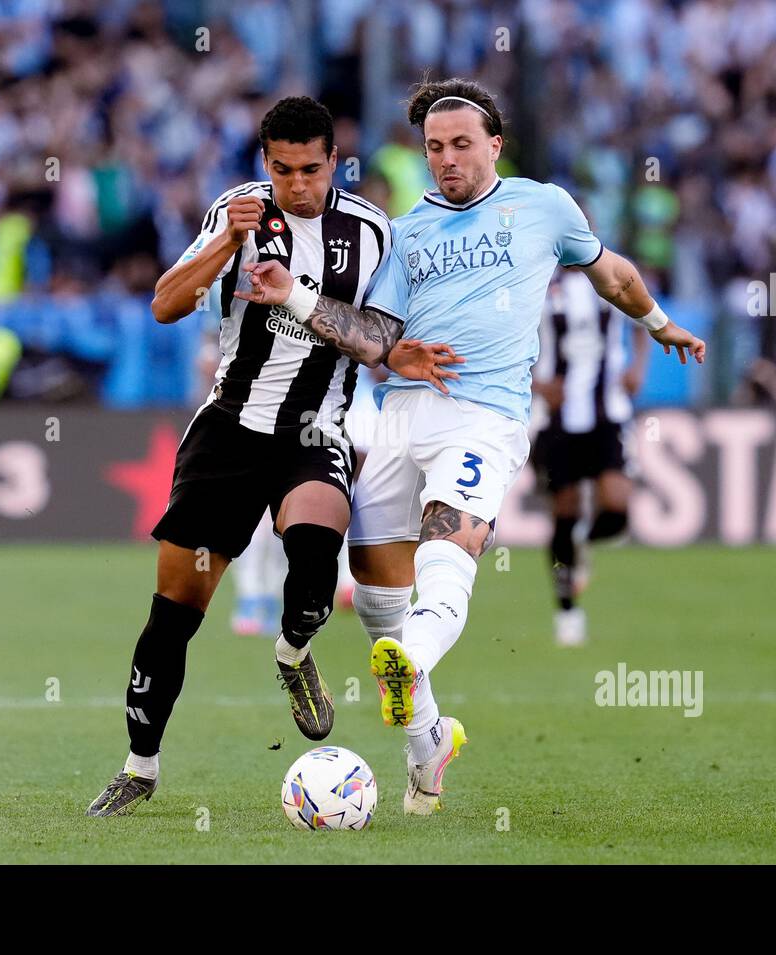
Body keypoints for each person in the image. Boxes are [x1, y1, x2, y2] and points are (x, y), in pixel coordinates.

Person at [236, 78, 705, 815]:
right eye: (433, 147)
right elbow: (375, 339)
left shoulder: (543, 206)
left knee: (444, 549)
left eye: (460, 145)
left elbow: (608, 270)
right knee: (378, 590)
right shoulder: (406, 231)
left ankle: (412, 662)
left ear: (494, 145)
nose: (446, 159)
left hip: (483, 414)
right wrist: (292, 295)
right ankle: (428, 743)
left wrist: (658, 322)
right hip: (395, 416)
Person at [87, 96, 459, 816]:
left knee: (317, 558)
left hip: (316, 430)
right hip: (227, 429)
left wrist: (297, 297)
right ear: (265, 163)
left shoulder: (372, 232)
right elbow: (165, 304)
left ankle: (292, 654)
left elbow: (379, 339)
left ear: (334, 162)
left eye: (310, 169)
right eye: (282, 169)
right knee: (175, 613)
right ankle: (140, 766)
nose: (296, 184)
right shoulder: (236, 210)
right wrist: (227, 243)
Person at [532, 269, 649, 647]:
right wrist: (537, 383)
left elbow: (644, 316)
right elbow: (507, 340)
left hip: (607, 413)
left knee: (617, 508)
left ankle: (584, 541)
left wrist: (637, 370)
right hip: (558, 416)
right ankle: (567, 610)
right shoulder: (537, 286)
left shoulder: (612, 281)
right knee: (563, 513)